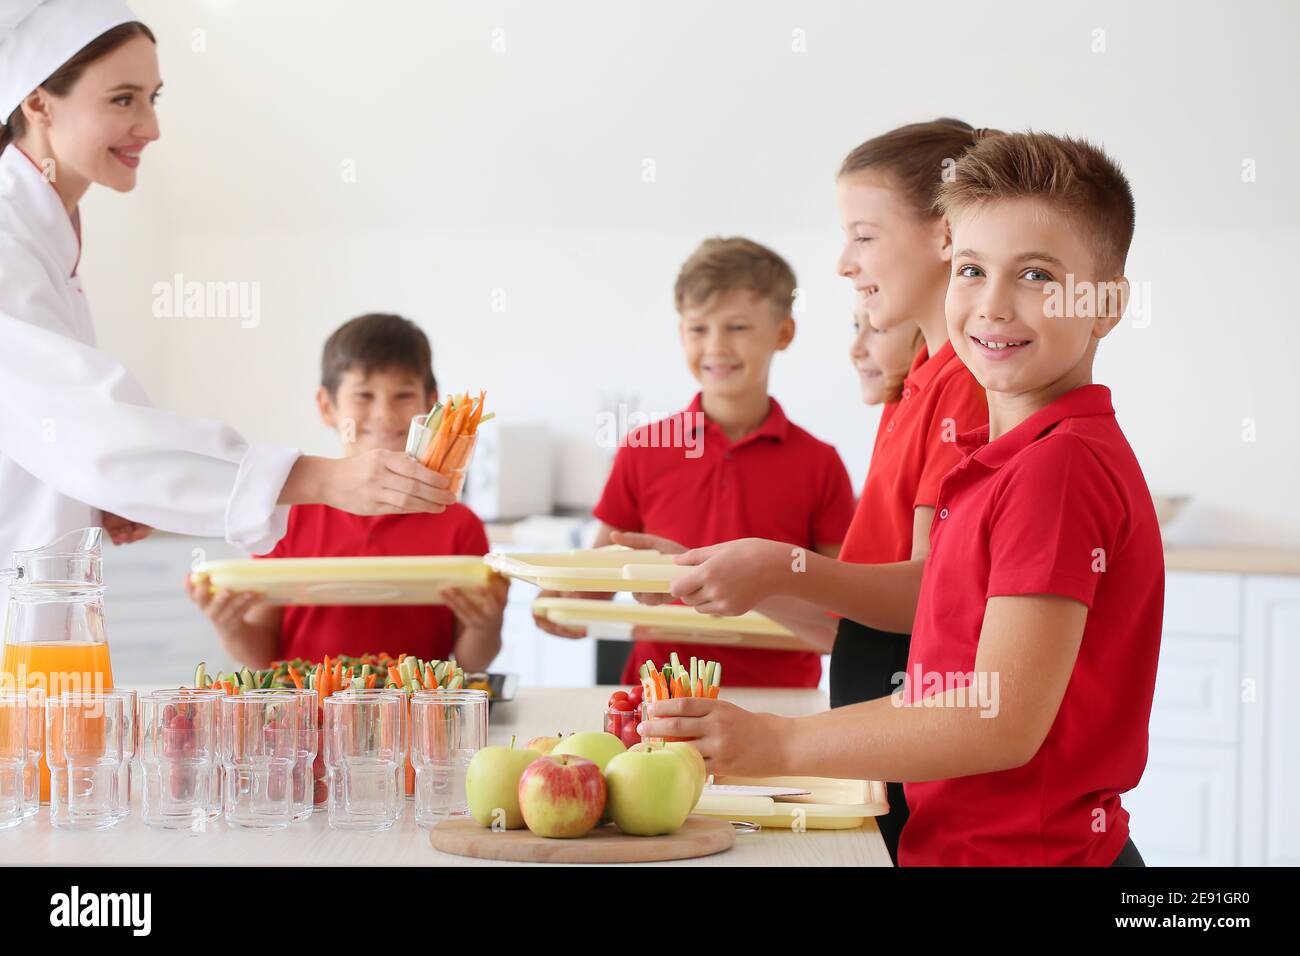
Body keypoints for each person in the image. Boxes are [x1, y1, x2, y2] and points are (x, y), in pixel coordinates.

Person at [641, 132, 1162, 867]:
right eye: (973, 269)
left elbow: (1000, 715)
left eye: (1037, 275)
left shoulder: (1060, 468)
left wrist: (779, 740)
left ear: (1106, 305)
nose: (993, 304)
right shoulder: (1004, 462)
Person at [0, 1, 452, 595]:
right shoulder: (9, 237)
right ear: (37, 102)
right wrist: (318, 479)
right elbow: (86, 426)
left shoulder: (50, 235)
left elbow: (48, 436)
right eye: (122, 99)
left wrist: (97, 493)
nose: (151, 127)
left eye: (152, 98)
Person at [534, 236, 856, 688]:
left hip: (780, 702)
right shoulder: (643, 449)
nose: (716, 347)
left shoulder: (820, 465)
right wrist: (559, 603)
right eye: (699, 329)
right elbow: (600, 577)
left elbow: (840, 614)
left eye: (738, 327)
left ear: (783, 332)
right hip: (654, 693)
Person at [186, 314, 507, 670]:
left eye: (403, 395)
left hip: (416, 715)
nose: (384, 415)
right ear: (327, 406)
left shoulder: (459, 524)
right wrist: (228, 626)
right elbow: (262, 653)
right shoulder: (285, 515)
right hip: (307, 717)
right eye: (364, 395)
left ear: (431, 404)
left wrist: (487, 623)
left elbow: (471, 663)